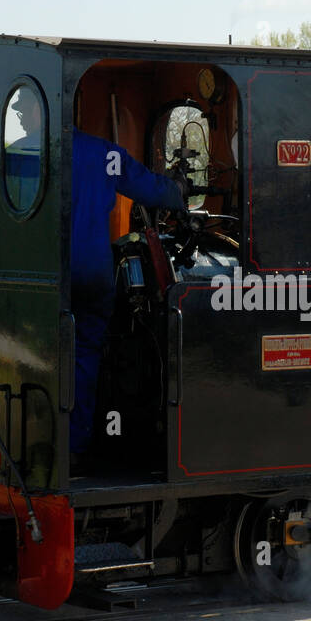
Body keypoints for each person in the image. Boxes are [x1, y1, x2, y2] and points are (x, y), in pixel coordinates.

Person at [70, 127, 185, 462]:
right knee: (85, 352)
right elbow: (150, 189)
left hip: (44, 270)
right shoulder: (102, 153)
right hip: (91, 269)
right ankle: (75, 446)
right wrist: (177, 189)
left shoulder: (24, 154)